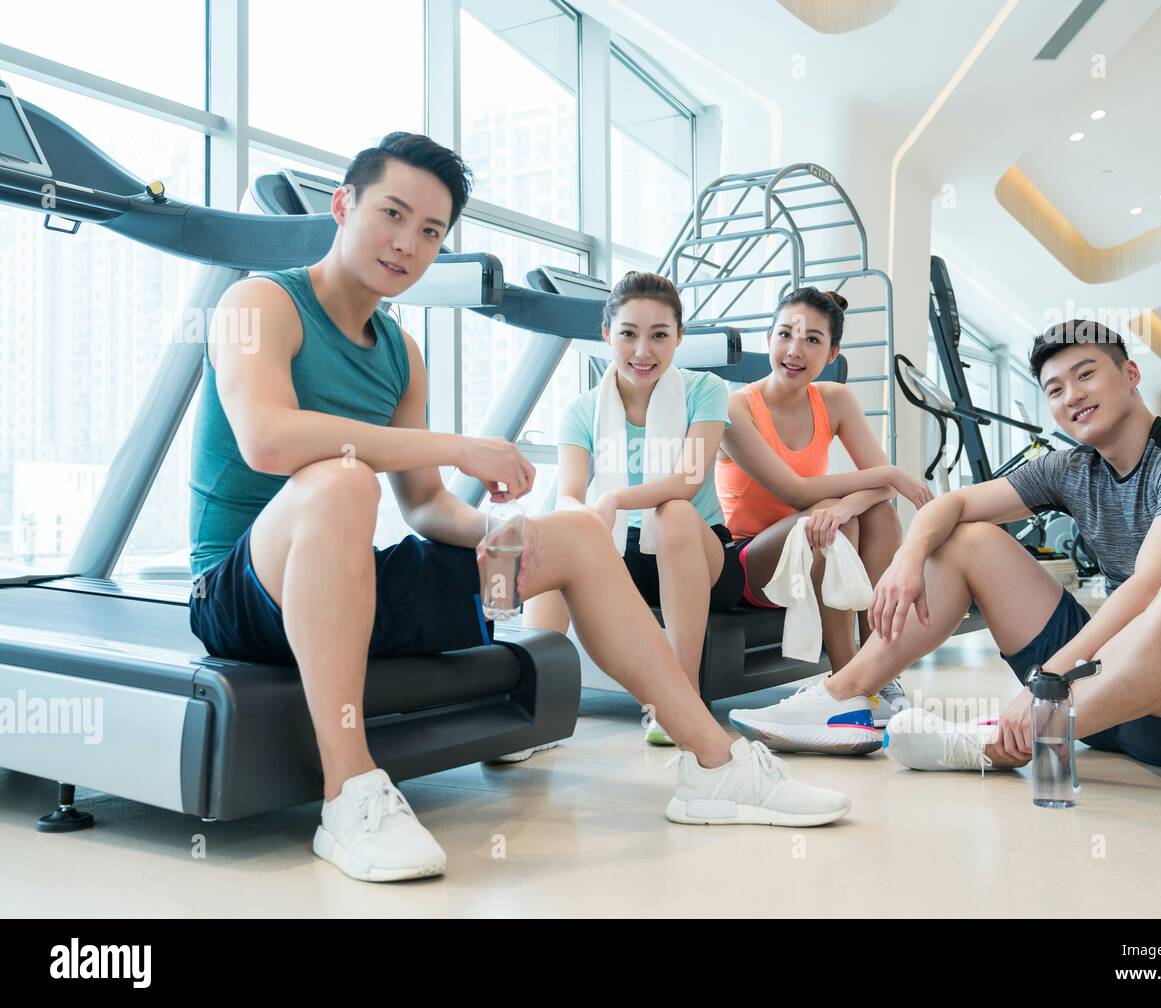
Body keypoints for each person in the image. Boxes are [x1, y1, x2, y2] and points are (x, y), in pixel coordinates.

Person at [187, 132, 850, 883]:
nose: (408, 243)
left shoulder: (402, 354)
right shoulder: (258, 303)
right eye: (392, 214)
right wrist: (458, 446)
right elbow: (267, 440)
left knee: (575, 532)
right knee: (343, 481)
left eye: (430, 230)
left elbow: (426, 506)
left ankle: (715, 764)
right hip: (237, 593)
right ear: (343, 205)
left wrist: (500, 529)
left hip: (344, 584)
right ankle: (351, 795)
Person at [734, 319, 1161, 773]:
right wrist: (906, 561)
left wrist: (1049, 680)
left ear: (1130, 374)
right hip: (1097, 704)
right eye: (1055, 389)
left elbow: (1149, 587)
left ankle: (991, 743)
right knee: (968, 539)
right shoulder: (1073, 467)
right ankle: (842, 697)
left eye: (1086, 375)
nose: (1072, 396)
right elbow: (954, 504)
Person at [524, 272, 744, 746]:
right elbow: (570, 492)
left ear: (679, 337)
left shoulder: (705, 390)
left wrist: (616, 498)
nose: (643, 351)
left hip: (699, 552)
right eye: (628, 334)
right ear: (607, 334)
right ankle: (534, 710)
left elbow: (687, 480)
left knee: (673, 512)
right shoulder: (581, 411)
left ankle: (681, 702)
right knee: (559, 533)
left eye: (659, 335)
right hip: (624, 551)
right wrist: (580, 517)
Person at [719, 288, 933, 754]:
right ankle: (845, 684)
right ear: (768, 339)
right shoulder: (736, 408)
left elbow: (878, 492)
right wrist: (887, 475)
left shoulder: (835, 400)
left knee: (874, 516)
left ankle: (879, 674)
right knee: (834, 520)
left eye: (812, 340)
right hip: (750, 562)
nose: (795, 350)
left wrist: (845, 505)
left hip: (812, 544)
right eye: (785, 335)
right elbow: (796, 492)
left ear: (832, 354)